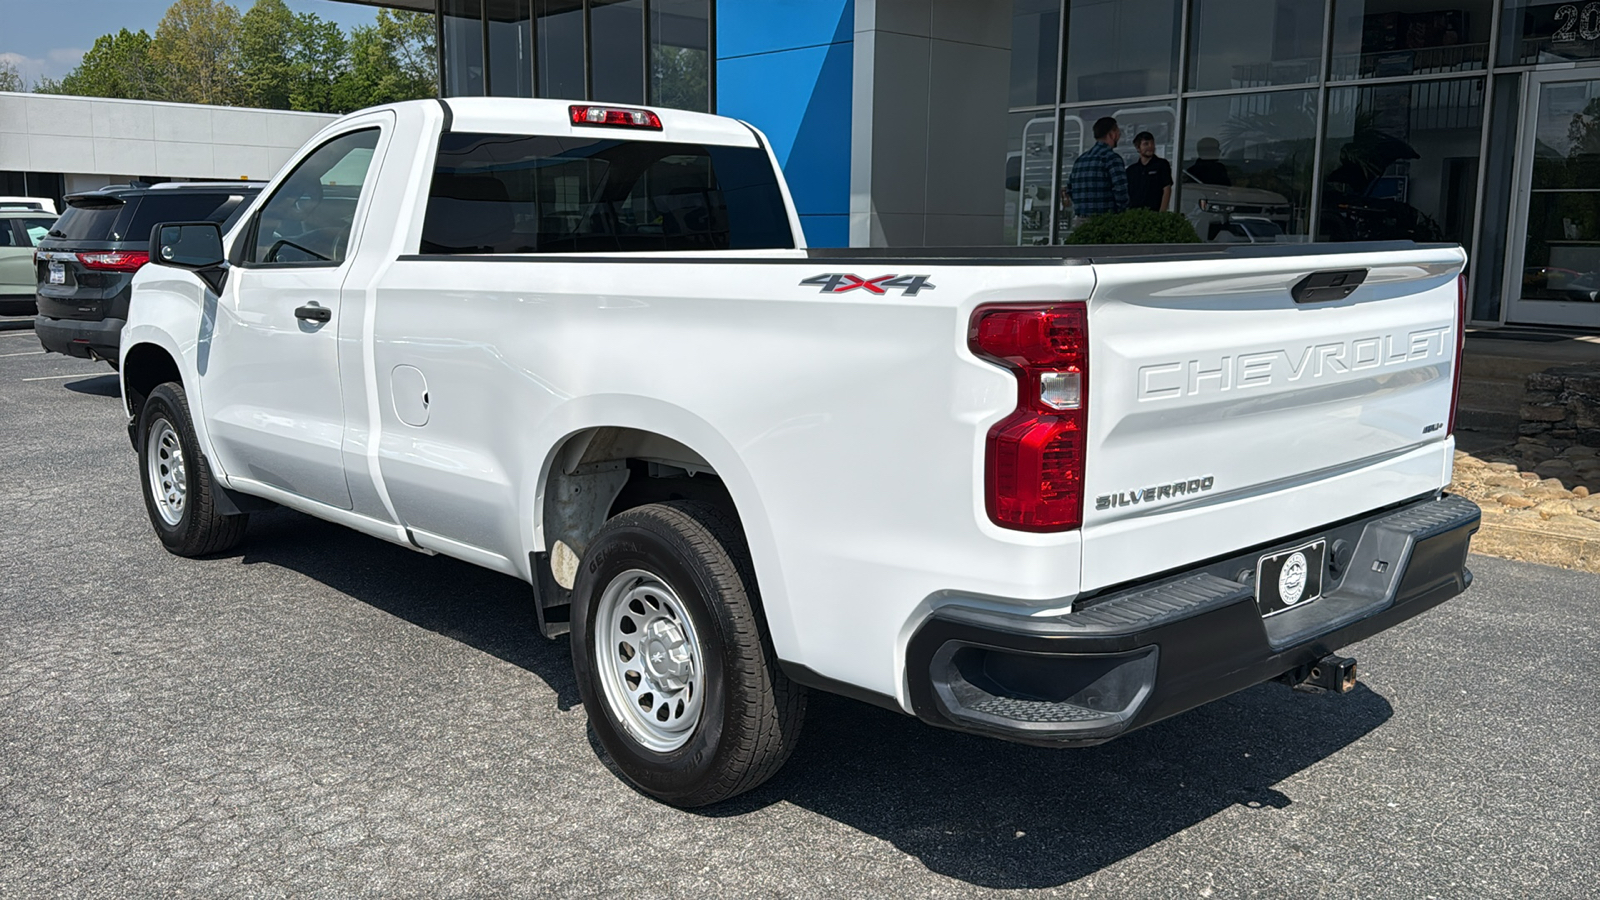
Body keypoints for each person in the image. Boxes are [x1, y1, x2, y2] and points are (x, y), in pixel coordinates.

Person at [1063, 117, 1128, 222]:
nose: (1119, 136)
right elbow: (1121, 190)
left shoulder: (1080, 160)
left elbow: (1070, 189)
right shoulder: (1112, 158)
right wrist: (1121, 212)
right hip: (1105, 221)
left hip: (1081, 221)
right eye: (1118, 132)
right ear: (1111, 134)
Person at [1125, 131, 1173, 212]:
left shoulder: (1161, 165)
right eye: (1146, 144)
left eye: (1152, 143)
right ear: (1138, 147)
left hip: (1154, 212)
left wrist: (1162, 214)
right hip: (1135, 214)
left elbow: (1167, 189)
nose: (1150, 146)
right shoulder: (1131, 170)